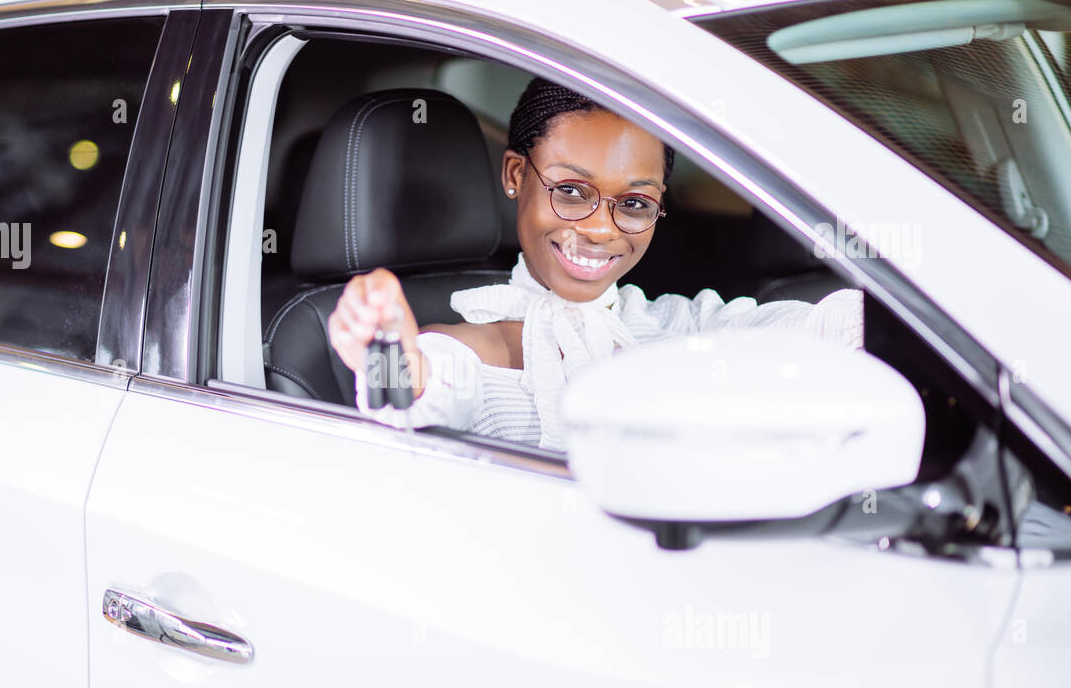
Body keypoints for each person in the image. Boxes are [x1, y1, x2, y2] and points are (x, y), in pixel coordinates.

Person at [327, 77, 864, 453]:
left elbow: (817, 331)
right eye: (571, 191)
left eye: (633, 204)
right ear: (515, 174)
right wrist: (386, 351)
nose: (602, 230)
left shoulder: (677, 326)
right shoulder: (465, 350)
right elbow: (407, 401)